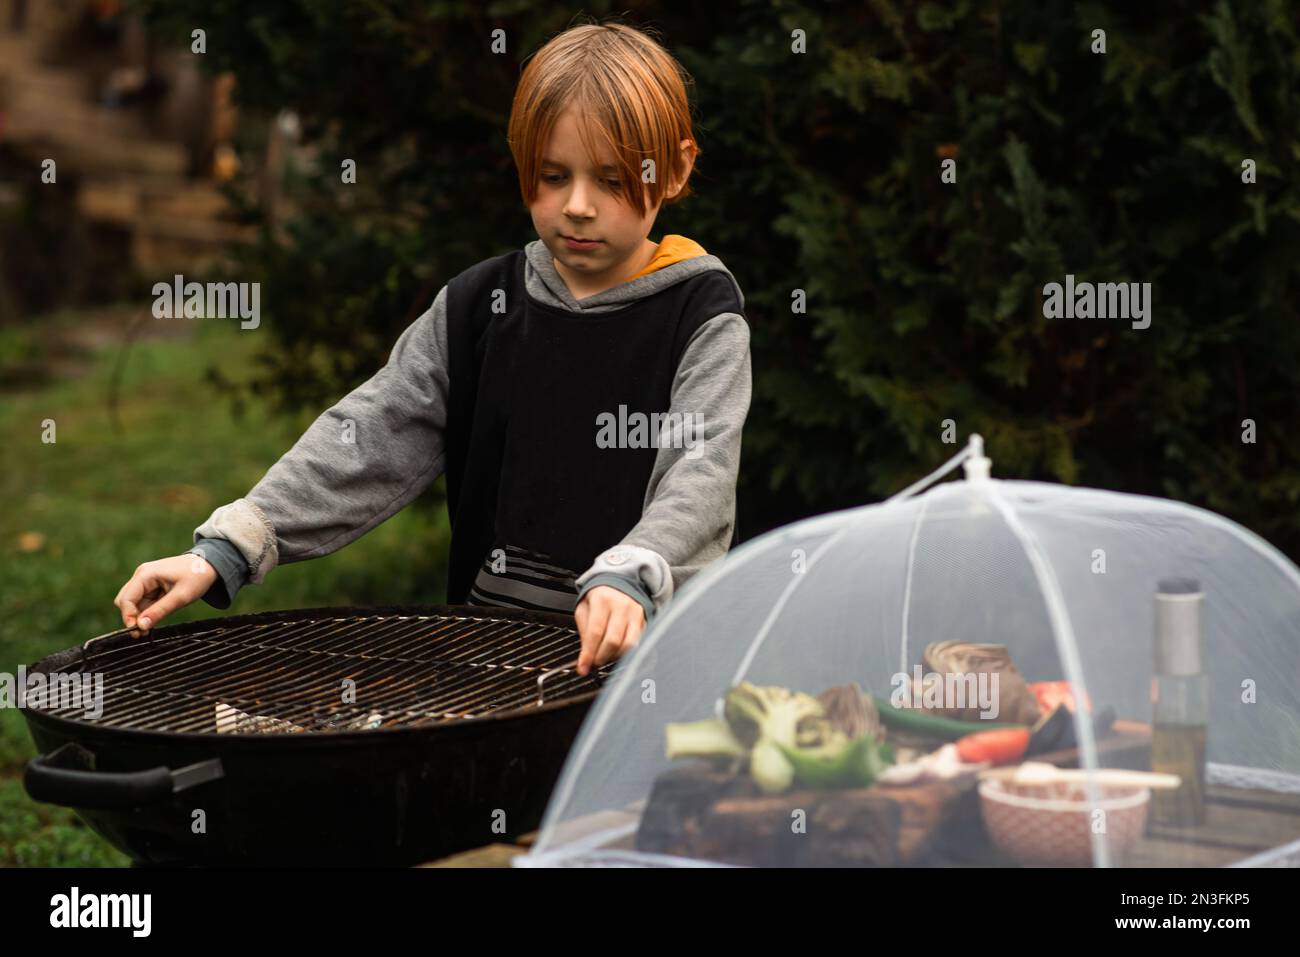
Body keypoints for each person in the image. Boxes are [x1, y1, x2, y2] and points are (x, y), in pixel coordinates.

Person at [113, 21, 751, 677]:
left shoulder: (701, 314)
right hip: (495, 675)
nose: (578, 206)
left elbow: (697, 479)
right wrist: (230, 544)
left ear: (674, 167)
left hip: (645, 679)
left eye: (614, 181)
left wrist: (631, 575)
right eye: (554, 175)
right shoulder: (478, 305)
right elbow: (369, 433)